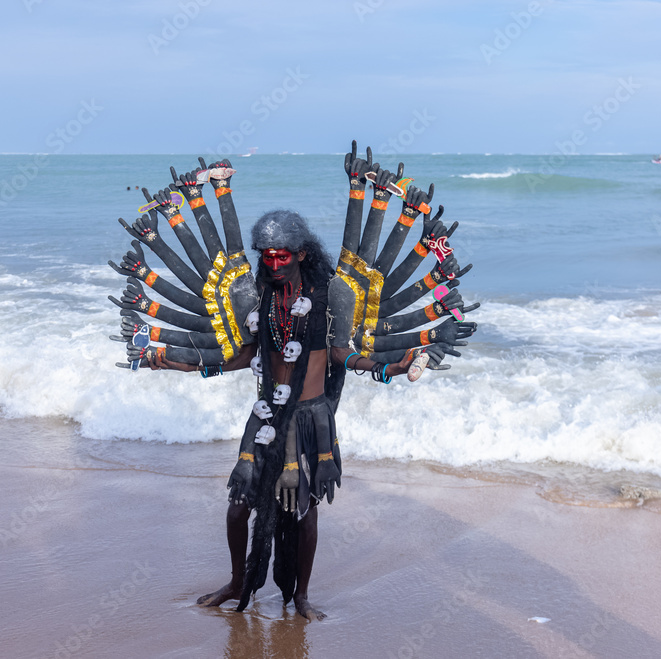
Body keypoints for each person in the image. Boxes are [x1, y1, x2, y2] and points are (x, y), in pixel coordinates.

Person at [148, 210, 442, 620]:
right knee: (238, 504)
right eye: (266, 257)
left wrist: (386, 368)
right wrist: (182, 363)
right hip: (265, 417)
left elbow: (341, 353)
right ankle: (238, 581)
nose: (273, 264)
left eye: (281, 256)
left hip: (309, 420)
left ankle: (301, 595)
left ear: (301, 254)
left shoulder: (327, 296)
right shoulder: (260, 298)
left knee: (303, 510)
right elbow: (247, 354)